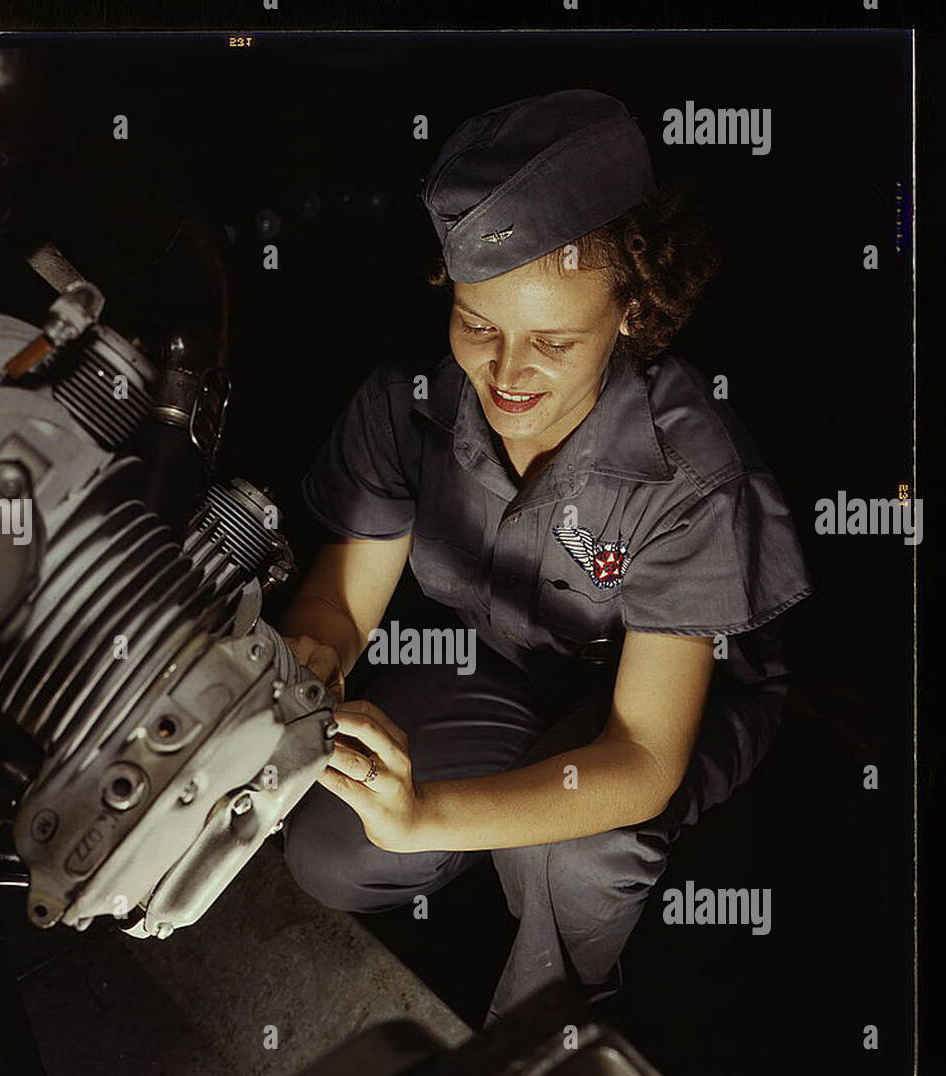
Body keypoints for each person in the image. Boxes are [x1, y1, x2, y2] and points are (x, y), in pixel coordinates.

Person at [278, 90, 813, 1026]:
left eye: (553, 342)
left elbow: (643, 755)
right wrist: (305, 670)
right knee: (330, 848)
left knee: (574, 851)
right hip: (513, 668)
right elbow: (342, 601)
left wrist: (429, 816)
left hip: (656, 710)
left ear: (634, 314)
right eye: (478, 325)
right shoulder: (408, 401)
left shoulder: (690, 474)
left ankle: (553, 1031)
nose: (505, 372)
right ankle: (479, 853)